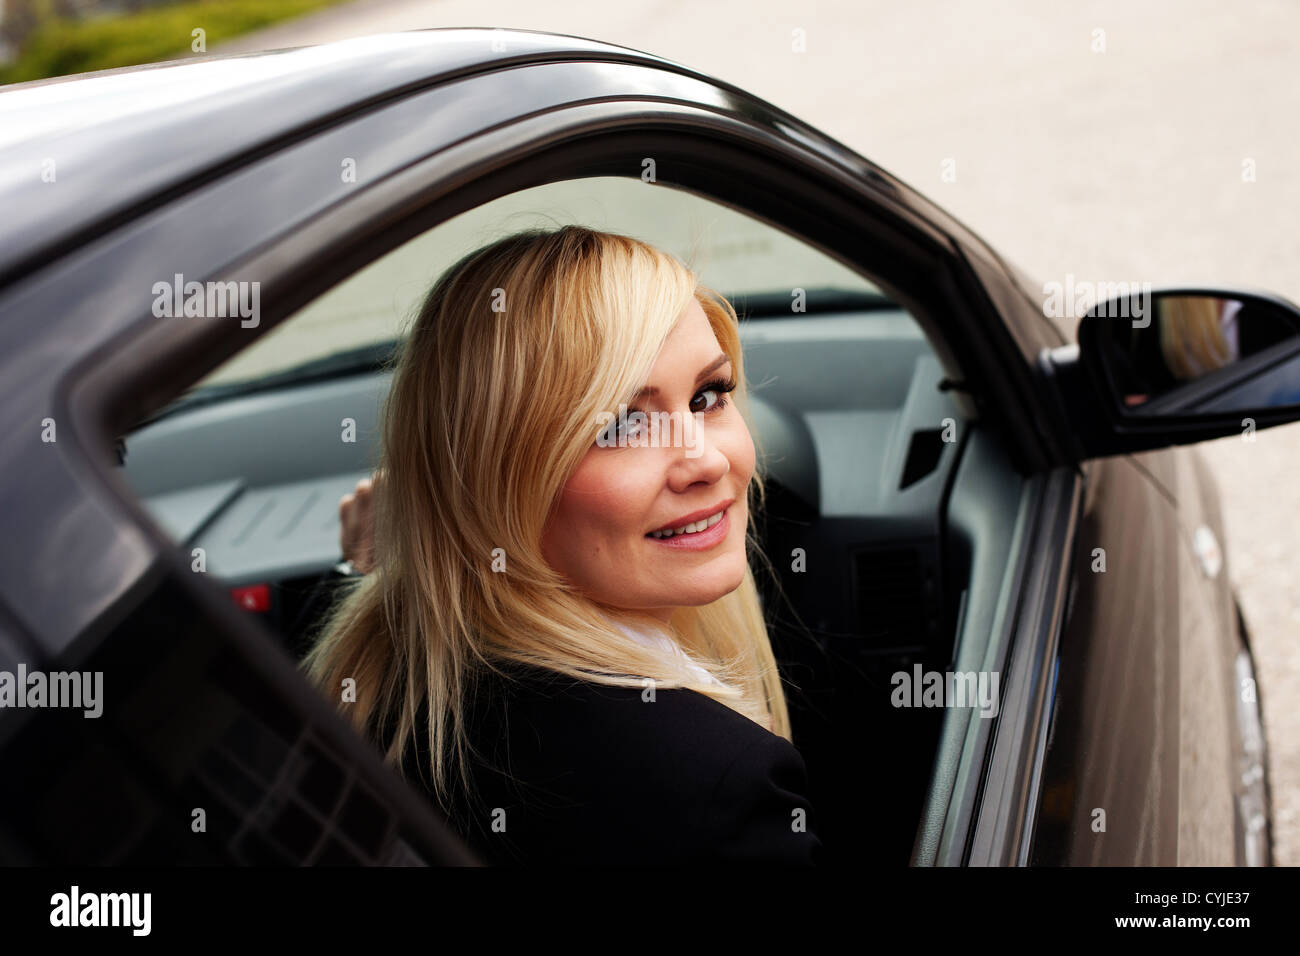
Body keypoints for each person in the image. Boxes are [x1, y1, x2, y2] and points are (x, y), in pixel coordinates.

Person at [302, 225, 822, 865]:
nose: (708, 461)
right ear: (496, 481)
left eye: (709, 396)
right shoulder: (713, 786)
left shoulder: (390, 684)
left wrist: (403, 539)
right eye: (625, 424)